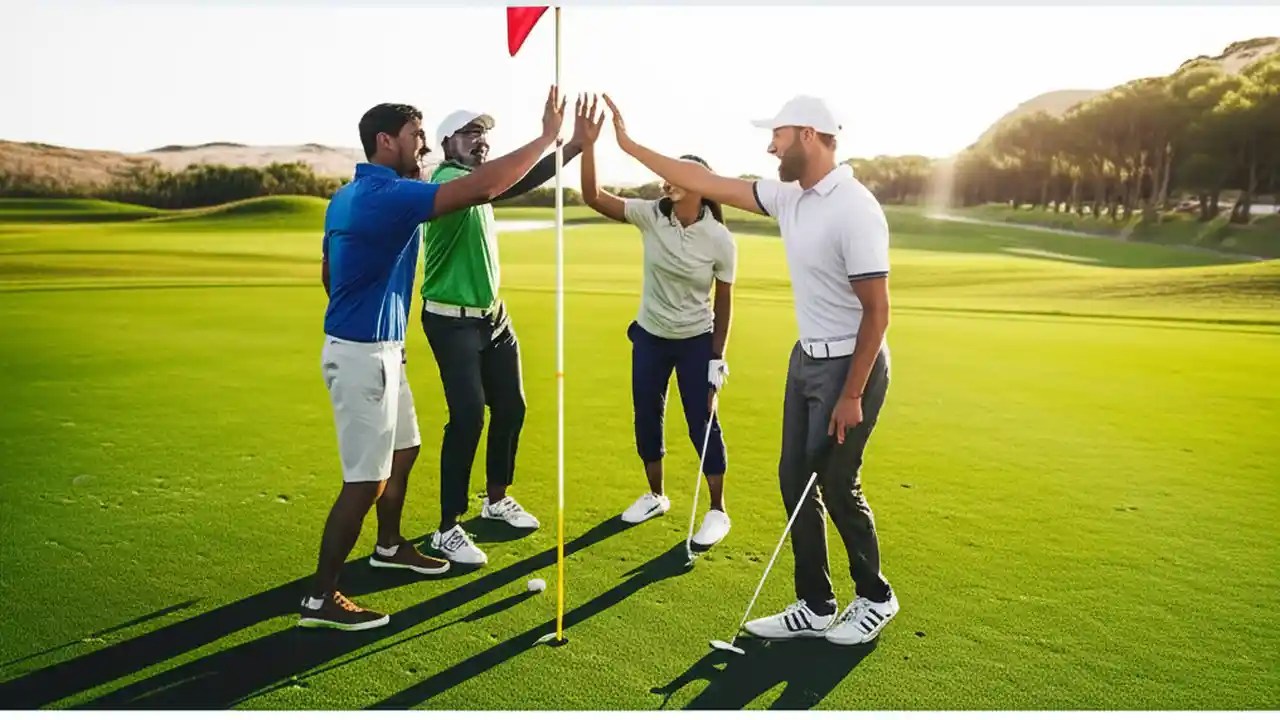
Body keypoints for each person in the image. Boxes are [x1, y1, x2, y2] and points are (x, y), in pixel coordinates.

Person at [600, 93, 898, 645]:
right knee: (794, 481)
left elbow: (877, 312)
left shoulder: (854, 208)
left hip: (851, 367)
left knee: (837, 483)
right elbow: (702, 180)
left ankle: (876, 596)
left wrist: (853, 393)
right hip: (806, 359)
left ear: (807, 134)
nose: (770, 148)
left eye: (777, 137)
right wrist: (629, 145)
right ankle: (816, 604)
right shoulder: (789, 197)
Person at [301, 87, 566, 631]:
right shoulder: (389, 194)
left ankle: (389, 546)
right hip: (364, 355)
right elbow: (485, 186)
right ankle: (320, 598)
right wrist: (547, 137)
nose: (422, 146)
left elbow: (329, 271)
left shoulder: (347, 195)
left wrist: (368, 314)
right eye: (416, 136)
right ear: (385, 141)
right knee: (365, 481)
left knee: (406, 448)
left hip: (379, 349)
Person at [416, 99, 593, 567]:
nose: (481, 141)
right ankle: (447, 528)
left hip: (492, 318)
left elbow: (517, 179)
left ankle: (496, 500)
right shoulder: (448, 183)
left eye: (484, 134)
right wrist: (548, 137)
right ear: (447, 144)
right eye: (470, 133)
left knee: (511, 407)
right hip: (451, 320)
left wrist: (574, 146)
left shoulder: (480, 183)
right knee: (468, 417)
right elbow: (503, 182)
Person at [574, 95, 736, 547]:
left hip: (695, 340)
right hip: (650, 336)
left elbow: (724, 303)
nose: (669, 180)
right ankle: (655, 494)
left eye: (680, 174)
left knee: (701, 421)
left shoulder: (720, 239)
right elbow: (593, 197)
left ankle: (718, 510)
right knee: (647, 414)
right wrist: (589, 145)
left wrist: (717, 358)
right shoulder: (651, 215)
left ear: (700, 185)